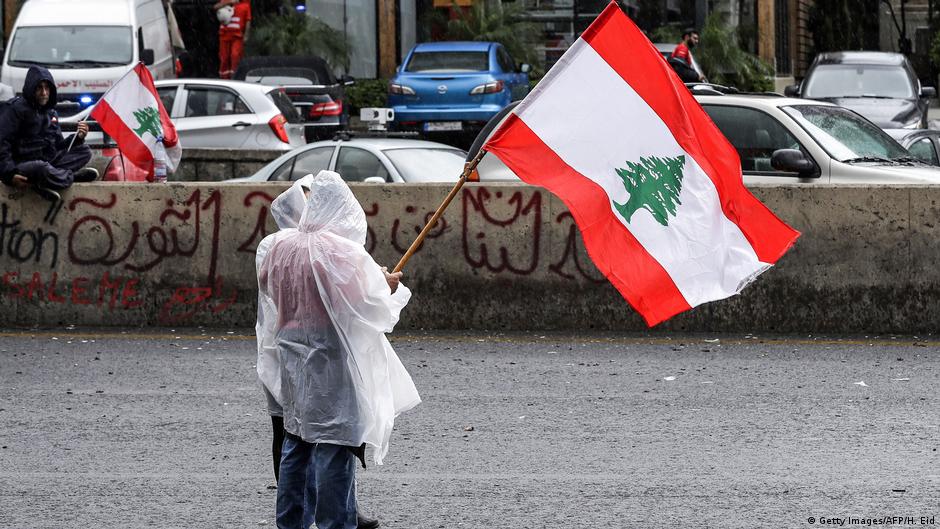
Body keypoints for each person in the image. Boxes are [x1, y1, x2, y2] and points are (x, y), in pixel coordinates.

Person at [257, 171, 420, 529]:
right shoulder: (340, 251)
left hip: (293, 356)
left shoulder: (280, 246)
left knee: (296, 440)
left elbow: (269, 289)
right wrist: (384, 284)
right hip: (331, 359)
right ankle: (335, 522)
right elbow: (367, 306)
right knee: (335, 442)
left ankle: (292, 522)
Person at [0, 66, 98, 202]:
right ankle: (71, 177)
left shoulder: (51, 113)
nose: (44, 93)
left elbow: (58, 145)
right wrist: (9, 174)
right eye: (39, 88)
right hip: (22, 165)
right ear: (31, 89)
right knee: (41, 168)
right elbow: (2, 143)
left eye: (47, 88)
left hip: (48, 162)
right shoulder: (15, 109)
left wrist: (78, 137)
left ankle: (50, 179)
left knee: (84, 151)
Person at [214, 0, 251, 79]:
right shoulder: (225, 1)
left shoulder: (245, 5)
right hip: (224, 35)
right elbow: (215, 7)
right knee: (224, 57)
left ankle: (235, 77)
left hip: (237, 36)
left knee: (235, 55)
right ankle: (224, 78)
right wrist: (229, 2)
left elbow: (248, 20)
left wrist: (246, 35)